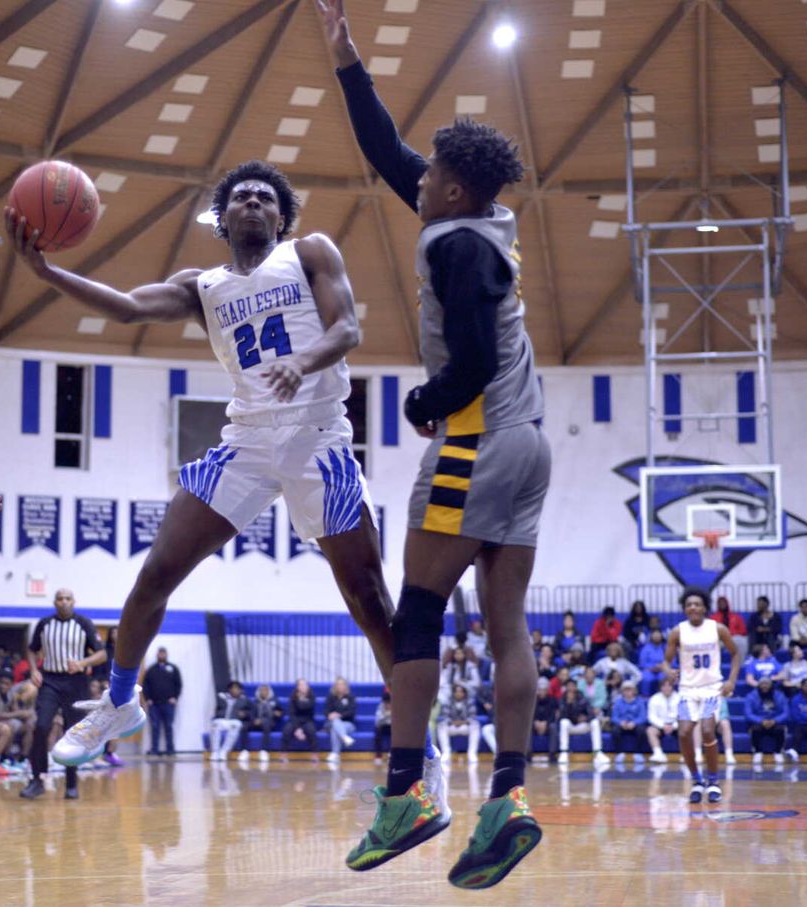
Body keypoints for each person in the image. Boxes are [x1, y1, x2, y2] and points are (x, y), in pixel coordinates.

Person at [11, 152, 453, 795]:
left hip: (316, 437)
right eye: (240, 195)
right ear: (222, 217)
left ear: (281, 216)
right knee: (154, 573)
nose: (252, 201)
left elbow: (348, 328)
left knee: (368, 600)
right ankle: (119, 702)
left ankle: (423, 752)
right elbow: (129, 307)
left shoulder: (309, 253)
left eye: (265, 197)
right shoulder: (204, 285)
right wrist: (45, 271)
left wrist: (302, 363)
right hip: (246, 441)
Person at [321, 2, 545, 884]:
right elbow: (389, 154)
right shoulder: (478, 221)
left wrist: (426, 398)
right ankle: (508, 799)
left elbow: (478, 359)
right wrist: (348, 66)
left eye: (431, 176)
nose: (416, 182)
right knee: (506, 624)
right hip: (528, 445)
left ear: (453, 189)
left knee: (417, 610)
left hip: (478, 438)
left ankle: (407, 790)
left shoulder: (453, 244)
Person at [20, 588, 108, 801]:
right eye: (60, 598)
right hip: (50, 680)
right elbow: (32, 649)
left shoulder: (84, 623)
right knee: (41, 727)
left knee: (72, 733)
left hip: (75, 682)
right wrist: (34, 669)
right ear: (54, 602)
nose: (64, 602)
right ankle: (37, 780)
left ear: (73, 602)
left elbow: (102, 654)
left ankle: (71, 783)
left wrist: (82, 663)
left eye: (68, 598)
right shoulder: (44, 624)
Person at [663, 587, 742, 803]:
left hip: (710, 688)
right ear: (685, 609)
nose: (693, 607)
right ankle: (697, 781)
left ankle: (714, 782)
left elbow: (736, 654)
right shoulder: (678, 631)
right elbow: (665, 661)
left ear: (705, 607)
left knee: (708, 730)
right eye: (689, 604)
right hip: (688, 689)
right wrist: (668, 671)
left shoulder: (718, 629)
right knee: (684, 733)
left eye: (697, 604)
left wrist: (731, 680)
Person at [142, 647, 182, 757]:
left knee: (169, 726)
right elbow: (145, 685)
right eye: (160, 653)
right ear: (157, 655)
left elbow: (178, 684)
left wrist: (175, 697)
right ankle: (154, 749)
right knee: (155, 727)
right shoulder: (151, 670)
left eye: (163, 653)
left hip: (168, 704)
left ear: (166, 654)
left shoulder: (173, 668)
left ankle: (170, 749)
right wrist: (147, 699)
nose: (161, 655)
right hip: (154, 704)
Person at [557, 681, 607, 767]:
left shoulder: (582, 698)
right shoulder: (562, 700)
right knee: (563, 722)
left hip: (583, 725)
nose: (571, 689)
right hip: (571, 726)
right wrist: (569, 704)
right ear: (566, 688)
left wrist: (585, 719)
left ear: (576, 688)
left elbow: (591, 714)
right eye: (569, 686)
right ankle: (564, 752)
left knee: (595, 722)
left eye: (573, 686)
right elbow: (561, 717)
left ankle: (598, 752)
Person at [744, 676, 788, 766]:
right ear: (759, 685)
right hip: (759, 723)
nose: (764, 686)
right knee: (755, 729)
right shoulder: (751, 696)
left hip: (774, 722)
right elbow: (748, 713)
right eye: (762, 684)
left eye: (767, 684)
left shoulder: (780, 696)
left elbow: (786, 712)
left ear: (771, 685)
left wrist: (775, 720)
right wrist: (761, 721)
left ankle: (778, 752)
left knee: (780, 729)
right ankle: (757, 752)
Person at [438, 684, 481, 763]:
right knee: (441, 725)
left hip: (465, 727)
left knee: (476, 725)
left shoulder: (469, 702)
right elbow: (445, 716)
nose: (458, 693)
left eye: (461, 692)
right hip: (452, 727)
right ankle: (446, 753)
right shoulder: (448, 701)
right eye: (456, 692)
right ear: (453, 693)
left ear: (464, 693)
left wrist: (462, 722)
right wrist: (452, 722)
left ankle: (472, 754)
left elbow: (472, 716)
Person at [211, 680, 250, 761]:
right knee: (215, 725)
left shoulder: (244, 700)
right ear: (229, 689)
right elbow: (216, 708)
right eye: (234, 688)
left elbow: (250, 712)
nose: (236, 690)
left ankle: (224, 751)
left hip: (234, 720)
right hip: (221, 719)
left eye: (238, 689)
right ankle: (215, 751)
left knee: (237, 725)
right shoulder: (221, 697)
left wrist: (245, 714)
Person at [610, 681, 647, 766]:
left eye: (629, 690)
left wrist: (634, 723)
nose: (627, 692)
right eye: (625, 690)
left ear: (634, 691)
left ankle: (638, 753)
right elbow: (614, 717)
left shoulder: (640, 702)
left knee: (641, 730)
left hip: (634, 724)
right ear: (622, 691)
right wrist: (620, 722)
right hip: (622, 724)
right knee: (615, 730)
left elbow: (643, 717)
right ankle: (619, 753)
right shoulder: (618, 702)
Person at [646, 677, 682, 764]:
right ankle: (658, 754)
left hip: (677, 724)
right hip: (660, 725)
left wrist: (673, 726)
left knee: (686, 729)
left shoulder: (680, 698)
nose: (666, 688)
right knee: (650, 730)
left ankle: (686, 754)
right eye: (664, 686)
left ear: (672, 687)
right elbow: (651, 716)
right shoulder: (654, 699)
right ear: (660, 687)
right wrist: (663, 726)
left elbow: (683, 716)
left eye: (669, 686)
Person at [324, 677, 358, 764]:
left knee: (335, 729)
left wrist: (340, 715)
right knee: (335, 722)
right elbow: (325, 711)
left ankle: (335, 754)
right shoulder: (331, 697)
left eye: (342, 684)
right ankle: (344, 737)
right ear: (335, 686)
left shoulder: (350, 697)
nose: (340, 686)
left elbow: (352, 712)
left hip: (348, 724)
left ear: (346, 686)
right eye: (338, 684)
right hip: (330, 723)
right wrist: (330, 715)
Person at [281, 678, 318, 756]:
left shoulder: (311, 696)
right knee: (287, 730)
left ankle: (314, 754)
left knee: (311, 730)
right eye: (301, 685)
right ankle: (284, 753)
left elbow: (308, 709)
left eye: (305, 684)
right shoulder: (293, 696)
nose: (303, 686)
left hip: (307, 720)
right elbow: (292, 713)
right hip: (295, 720)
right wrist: (297, 728)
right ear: (297, 687)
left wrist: (301, 700)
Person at [785, 676, 807, 763]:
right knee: (797, 733)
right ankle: (794, 752)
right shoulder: (795, 699)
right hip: (800, 724)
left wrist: (806, 718)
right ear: (801, 687)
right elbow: (795, 715)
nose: (806, 688)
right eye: (805, 686)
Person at [711, 595, 748, 662]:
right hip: (720, 639)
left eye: (724, 603)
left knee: (742, 641)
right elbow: (710, 631)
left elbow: (743, 630)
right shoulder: (713, 618)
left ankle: (741, 664)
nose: (722, 604)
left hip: (734, 638)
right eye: (720, 603)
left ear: (727, 603)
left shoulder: (736, 616)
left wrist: (733, 634)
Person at [530, 677, 559, 760]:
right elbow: (529, 715)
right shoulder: (532, 701)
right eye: (540, 690)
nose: (542, 692)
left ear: (547, 690)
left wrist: (546, 723)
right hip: (535, 724)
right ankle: (527, 753)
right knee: (526, 727)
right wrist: (535, 722)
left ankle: (552, 753)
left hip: (548, 725)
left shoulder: (553, 701)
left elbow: (554, 715)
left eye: (544, 690)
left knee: (553, 727)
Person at [638, 628, 667, 696]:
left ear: (661, 636)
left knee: (663, 677)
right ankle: (645, 697)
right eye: (654, 635)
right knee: (646, 678)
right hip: (649, 670)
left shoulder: (665, 647)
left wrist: (662, 667)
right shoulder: (645, 648)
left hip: (662, 670)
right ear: (651, 636)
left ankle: (663, 697)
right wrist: (652, 668)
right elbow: (642, 664)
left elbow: (669, 661)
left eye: (658, 634)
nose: (656, 636)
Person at [373, 689, 392, 765]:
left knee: (396, 732)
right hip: (382, 726)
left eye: (390, 703)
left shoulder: (397, 706)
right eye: (386, 703)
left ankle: (392, 754)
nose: (388, 705)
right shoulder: (381, 706)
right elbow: (377, 722)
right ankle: (378, 756)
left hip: (392, 728)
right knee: (377, 730)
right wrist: (386, 715)